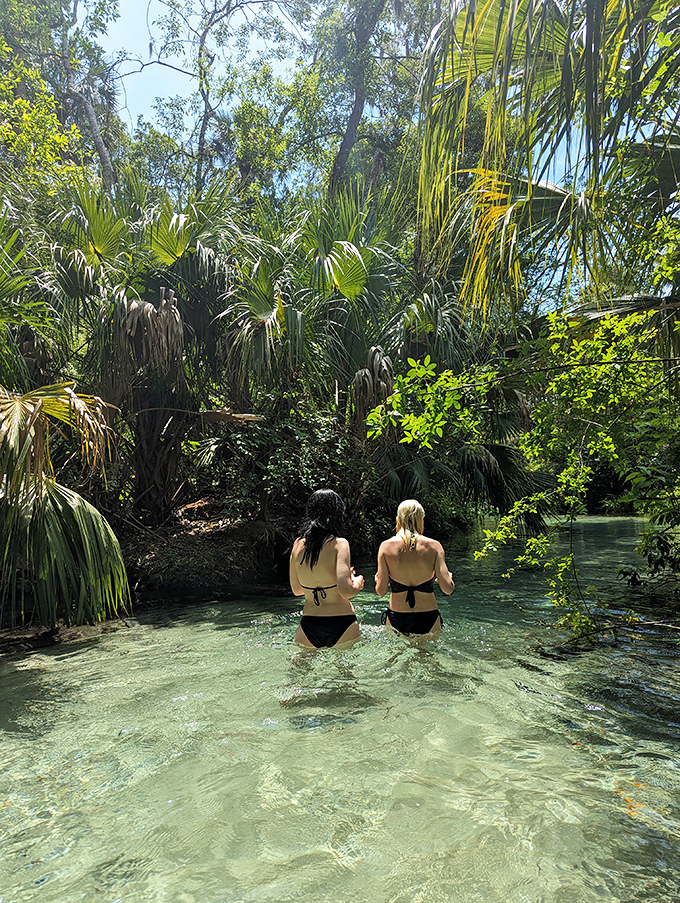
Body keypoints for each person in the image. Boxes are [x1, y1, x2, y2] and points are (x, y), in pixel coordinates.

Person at [290, 489, 364, 649]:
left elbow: (297, 590)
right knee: (344, 673)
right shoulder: (340, 544)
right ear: (336, 514)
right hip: (342, 622)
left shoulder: (297, 545)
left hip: (309, 622)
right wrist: (357, 582)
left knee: (298, 671)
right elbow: (346, 591)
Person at [375, 499, 454, 637]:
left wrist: (379, 580)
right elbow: (447, 589)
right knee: (429, 658)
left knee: (397, 657)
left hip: (397, 616)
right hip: (429, 615)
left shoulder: (385, 547)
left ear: (398, 519)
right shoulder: (434, 546)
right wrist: (448, 578)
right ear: (420, 520)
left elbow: (381, 592)